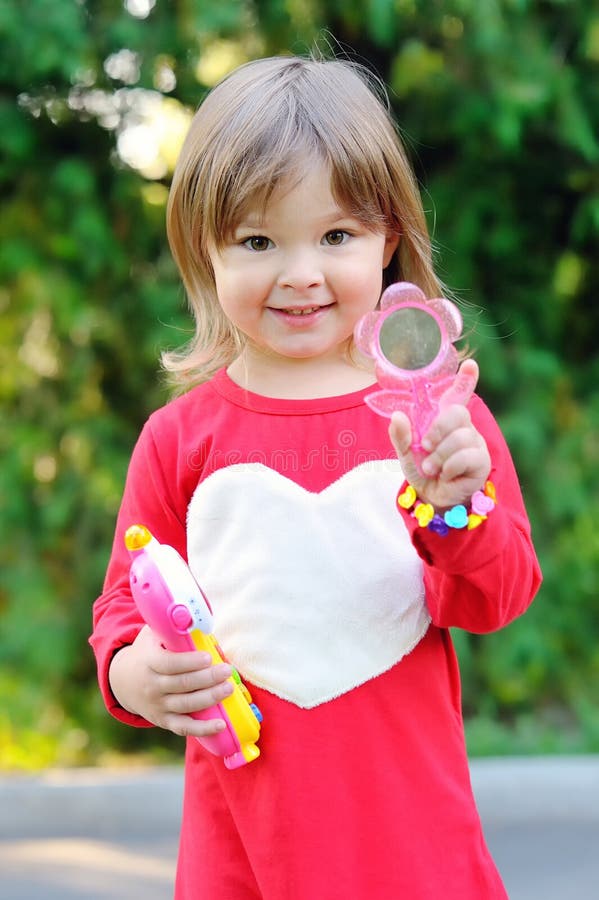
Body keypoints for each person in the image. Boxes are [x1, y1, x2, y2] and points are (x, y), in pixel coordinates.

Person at [90, 54, 542, 899]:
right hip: (243, 860)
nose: (299, 273)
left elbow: (498, 594)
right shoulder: (178, 439)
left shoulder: (436, 420)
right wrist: (134, 674)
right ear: (205, 253)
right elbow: (125, 603)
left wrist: (452, 511)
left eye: (335, 236)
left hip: (413, 859)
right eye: (258, 241)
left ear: (388, 240)